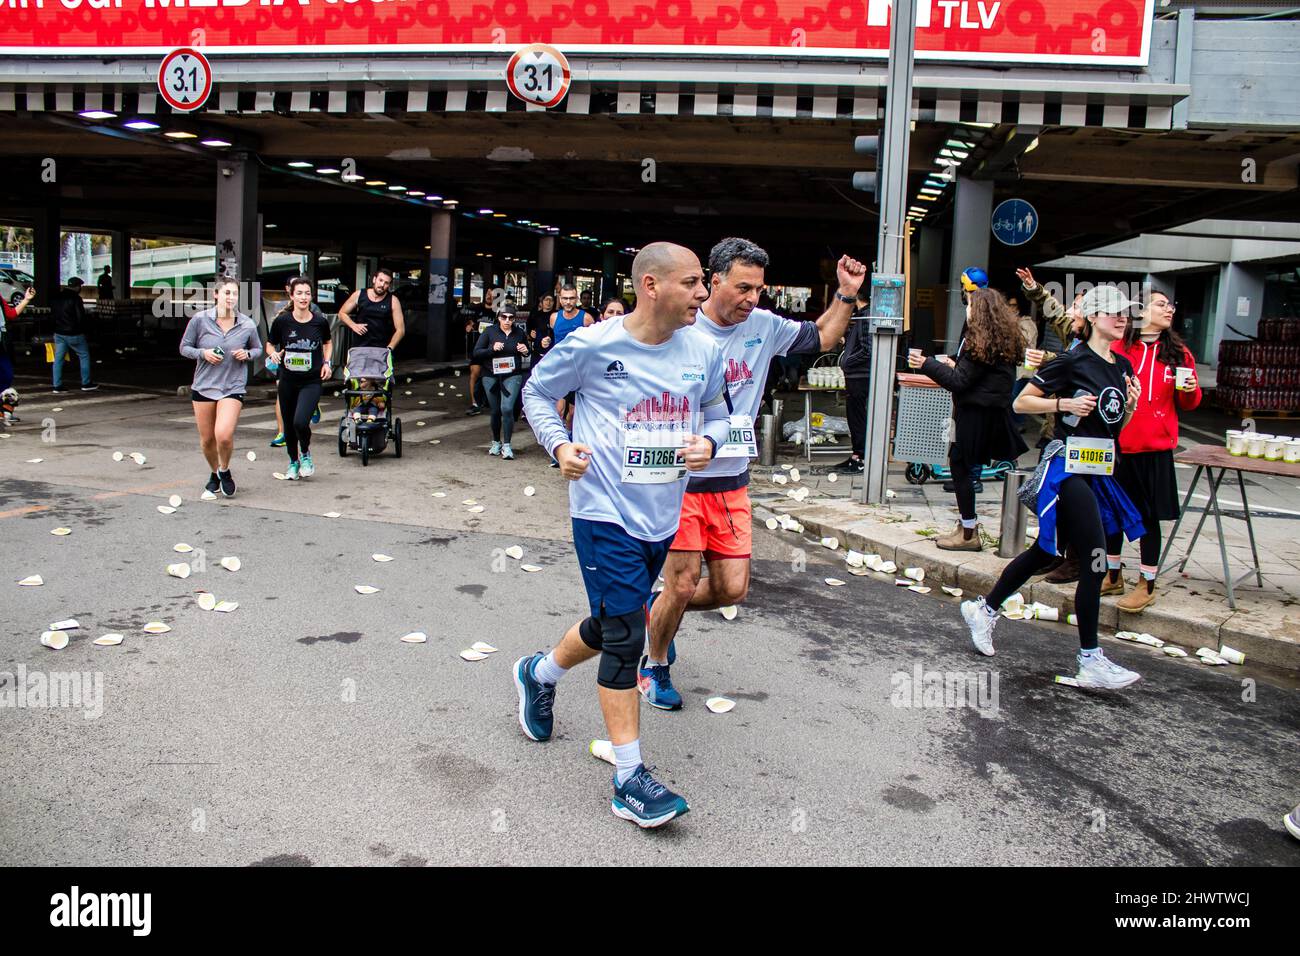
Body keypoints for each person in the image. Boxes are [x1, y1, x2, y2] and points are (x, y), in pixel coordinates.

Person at [513, 242, 732, 828]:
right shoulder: (594, 344)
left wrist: (708, 443)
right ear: (652, 286)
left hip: (663, 513)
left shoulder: (703, 350)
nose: (702, 295)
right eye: (691, 283)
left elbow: (719, 412)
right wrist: (559, 444)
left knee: (616, 620)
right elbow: (535, 390)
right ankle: (629, 778)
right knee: (626, 635)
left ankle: (539, 672)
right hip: (602, 510)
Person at [643, 240, 866, 708]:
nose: (752, 299)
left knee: (731, 590)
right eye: (743, 287)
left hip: (732, 482)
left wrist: (845, 294)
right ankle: (656, 664)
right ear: (714, 280)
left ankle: (657, 609)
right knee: (682, 581)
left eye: (759, 290)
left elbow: (823, 338)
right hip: (681, 480)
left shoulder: (763, 326)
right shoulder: (681, 325)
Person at [959, 285, 1145, 690]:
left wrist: (1129, 408)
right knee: (1096, 557)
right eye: (1114, 313)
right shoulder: (1071, 361)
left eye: (1126, 314)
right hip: (1067, 470)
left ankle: (984, 609)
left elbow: (1116, 430)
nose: (1122, 319)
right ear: (1094, 318)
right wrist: (1064, 405)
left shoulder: (1123, 367)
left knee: (1046, 552)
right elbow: (1022, 402)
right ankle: (1090, 659)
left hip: (1101, 473)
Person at [1102, 290, 1201, 612]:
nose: (1169, 309)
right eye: (1161, 304)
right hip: (1118, 446)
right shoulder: (1119, 349)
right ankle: (1112, 573)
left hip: (1155, 447)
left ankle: (1147, 583)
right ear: (1140, 311)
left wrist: (1190, 390)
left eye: (1170, 304)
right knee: (1112, 514)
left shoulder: (1179, 353)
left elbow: (1189, 403)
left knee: (1149, 517)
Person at [909, 288, 1028, 551]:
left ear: (980, 311)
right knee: (963, 467)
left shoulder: (979, 341)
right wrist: (951, 363)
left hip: (977, 414)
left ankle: (968, 533)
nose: (966, 309)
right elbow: (971, 371)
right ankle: (966, 526)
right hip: (988, 412)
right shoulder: (999, 338)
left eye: (970, 305)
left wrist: (926, 363)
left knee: (960, 468)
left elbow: (959, 381)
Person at [179, 277, 261, 498]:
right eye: (226, 293)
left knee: (223, 435)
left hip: (232, 386)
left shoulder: (246, 324)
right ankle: (214, 473)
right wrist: (203, 354)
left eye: (234, 294)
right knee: (207, 440)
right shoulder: (200, 320)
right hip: (204, 385)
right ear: (216, 295)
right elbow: (184, 347)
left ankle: (224, 470)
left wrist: (248, 354)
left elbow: (258, 349)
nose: (231, 298)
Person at [265, 278, 333, 480]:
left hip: (311, 380)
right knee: (288, 426)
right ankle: (293, 462)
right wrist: (274, 354)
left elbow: (328, 343)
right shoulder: (282, 321)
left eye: (307, 293)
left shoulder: (319, 320)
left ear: (311, 296)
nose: (304, 297)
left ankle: (305, 453)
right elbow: (270, 344)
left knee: (300, 422)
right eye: (300, 293)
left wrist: (327, 363)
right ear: (292, 295)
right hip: (287, 380)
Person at [474, 305, 530, 460]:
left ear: (514, 319)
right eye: (504, 317)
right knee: (495, 410)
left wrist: (525, 350)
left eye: (511, 318)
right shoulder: (489, 332)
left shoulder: (519, 333)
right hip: (490, 375)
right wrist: (492, 349)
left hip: (512, 375)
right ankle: (496, 442)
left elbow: (528, 351)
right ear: (498, 317)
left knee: (507, 408)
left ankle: (507, 445)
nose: (507, 320)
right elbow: (476, 352)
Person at [833, 286, 873, 475]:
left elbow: (867, 350)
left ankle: (862, 457)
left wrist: (847, 361)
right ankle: (858, 455)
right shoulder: (862, 316)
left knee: (858, 418)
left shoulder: (866, 317)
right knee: (854, 416)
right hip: (856, 375)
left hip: (860, 376)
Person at [338, 267, 405, 354]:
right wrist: (353, 325)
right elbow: (342, 313)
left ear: (389, 285)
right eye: (380, 280)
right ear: (374, 279)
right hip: (359, 348)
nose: (382, 285)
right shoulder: (359, 294)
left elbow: (400, 330)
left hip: (382, 350)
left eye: (386, 283)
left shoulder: (393, 300)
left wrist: (390, 348)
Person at [50, 278, 97, 393]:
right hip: (74, 333)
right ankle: (86, 383)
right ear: (77, 286)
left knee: (58, 359)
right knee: (84, 355)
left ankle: (57, 385)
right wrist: (85, 330)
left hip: (59, 333)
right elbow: (80, 317)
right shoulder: (76, 298)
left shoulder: (57, 297)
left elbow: (52, 315)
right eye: (80, 286)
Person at [0, 285, 35, 424]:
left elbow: (11, 314)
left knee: (6, 375)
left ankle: (5, 411)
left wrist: (26, 299)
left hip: (1, 343)